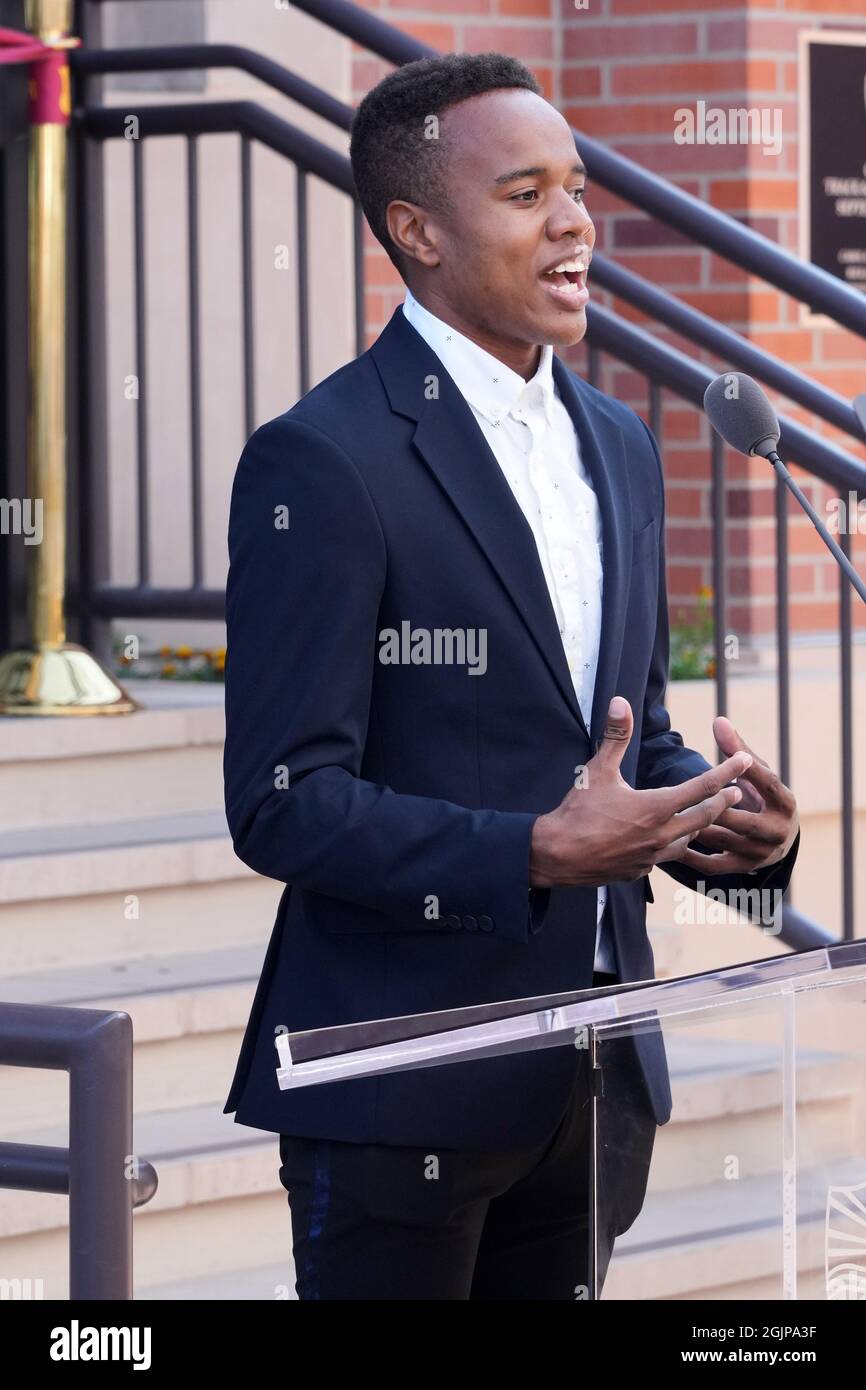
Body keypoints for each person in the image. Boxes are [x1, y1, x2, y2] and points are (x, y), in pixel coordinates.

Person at [222, 52, 800, 1300]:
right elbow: (281, 801)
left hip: (592, 1080)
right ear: (416, 231)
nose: (576, 221)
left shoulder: (621, 444)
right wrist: (530, 849)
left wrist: (724, 820)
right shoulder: (321, 462)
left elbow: (622, 743)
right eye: (527, 191)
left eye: (578, 187)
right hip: (399, 1077)